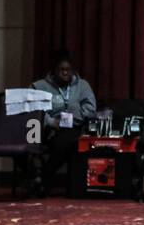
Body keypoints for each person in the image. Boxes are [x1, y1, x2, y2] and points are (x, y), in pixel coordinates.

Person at [31, 50, 97, 197]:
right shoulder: (40, 86)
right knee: (30, 138)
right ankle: (36, 176)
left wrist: (76, 114)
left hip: (73, 127)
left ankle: (42, 179)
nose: (65, 73)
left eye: (68, 70)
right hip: (45, 129)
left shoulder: (83, 86)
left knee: (67, 140)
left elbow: (91, 110)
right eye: (61, 70)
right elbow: (32, 113)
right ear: (54, 71)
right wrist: (50, 121)